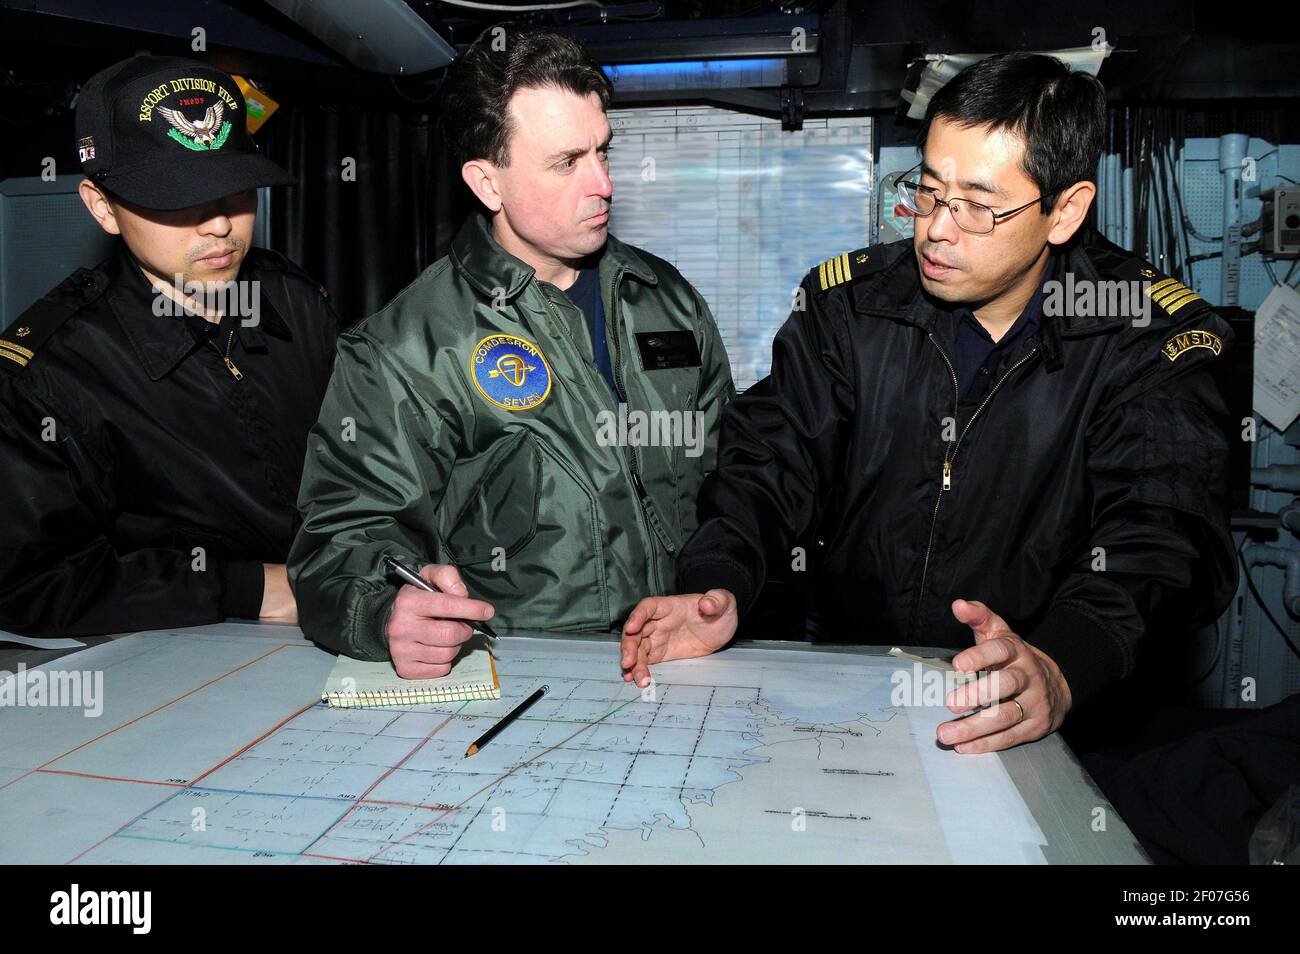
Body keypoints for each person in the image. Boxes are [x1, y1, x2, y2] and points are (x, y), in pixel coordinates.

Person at [620, 53, 1237, 753]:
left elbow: (1161, 534)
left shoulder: (1144, 339)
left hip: (1041, 714)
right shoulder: (851, 309)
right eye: (928, 190)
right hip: (847, 694)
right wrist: (722, 581)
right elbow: (770, 460)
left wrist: (1066, 662)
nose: (935, 228)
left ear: (1065, 210)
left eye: (978, 205)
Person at [289, 26, 734, 677]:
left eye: (603, 152)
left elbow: (734, 474)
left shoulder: (665, 298)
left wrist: (725, 577)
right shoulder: (404, 347)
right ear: (486, 183)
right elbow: (340, 541)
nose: (604, 184)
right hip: (526, 675)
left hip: (685, 662)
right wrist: (383, 611)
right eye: (567, 162)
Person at [0, 55, 340, 636]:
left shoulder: (297, 302)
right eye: (177, 197)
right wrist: (245, 587)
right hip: (192, 661)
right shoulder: (48, 374)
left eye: (235, 189)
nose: (218, 225)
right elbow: (28, 583)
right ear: (101, 207)